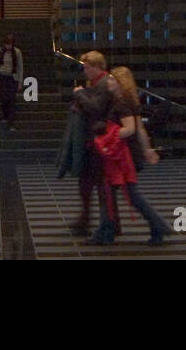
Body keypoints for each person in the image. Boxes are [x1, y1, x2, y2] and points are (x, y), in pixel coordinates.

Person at [90, 67, 168, 246]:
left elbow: (130, 129)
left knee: (115, 193)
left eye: (112, 80)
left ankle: (156, 226)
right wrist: (147, 150)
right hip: (129, 154)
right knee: (120, 193)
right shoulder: (129, 101)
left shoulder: (121, 104)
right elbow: (140, 129)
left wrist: (107, 137)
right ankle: (107, 231)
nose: (108, 82)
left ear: (120, 83)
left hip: (122, 156)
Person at [68, 50, 112, 237]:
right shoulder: (97, 83)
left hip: (99, 140)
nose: (85, 71)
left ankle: (104, 225)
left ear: (96, 67)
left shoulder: (104, 84)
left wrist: (79, 95)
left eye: (87, 67)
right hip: (93, 140)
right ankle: (88, 220)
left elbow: (96, 108)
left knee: (99, 185)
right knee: (88, 182)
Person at [0, 34, 24, 130]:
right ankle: (5, 115)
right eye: (7, 44)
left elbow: (20, 68)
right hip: (2, 77)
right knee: (3, 98)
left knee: (11, 100)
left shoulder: (17, 52)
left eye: (10, 44)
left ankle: (11, 122)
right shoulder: (0, 51)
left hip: (12, 78)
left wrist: (20, 81)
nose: (8, 46)